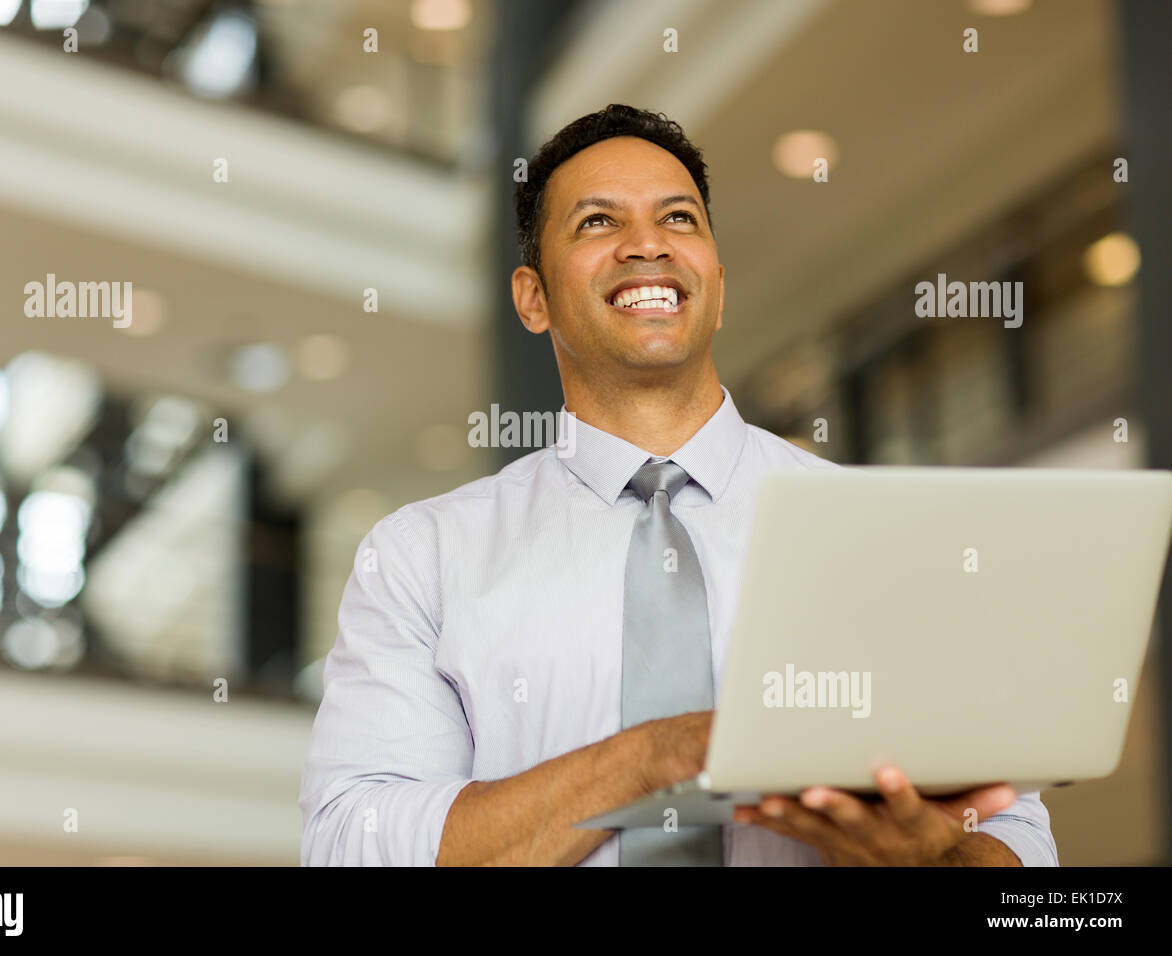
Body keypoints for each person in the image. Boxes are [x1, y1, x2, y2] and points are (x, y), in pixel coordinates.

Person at [298, 103, 1058, 867]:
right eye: (598, 223)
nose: (647, 245)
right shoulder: (420, 556)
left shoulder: (883, 538)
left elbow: (1027, 870)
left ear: (717, 287)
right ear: (534, 298)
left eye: (678, 219)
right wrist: (657, 757)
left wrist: (936, 859)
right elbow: (351, 844)